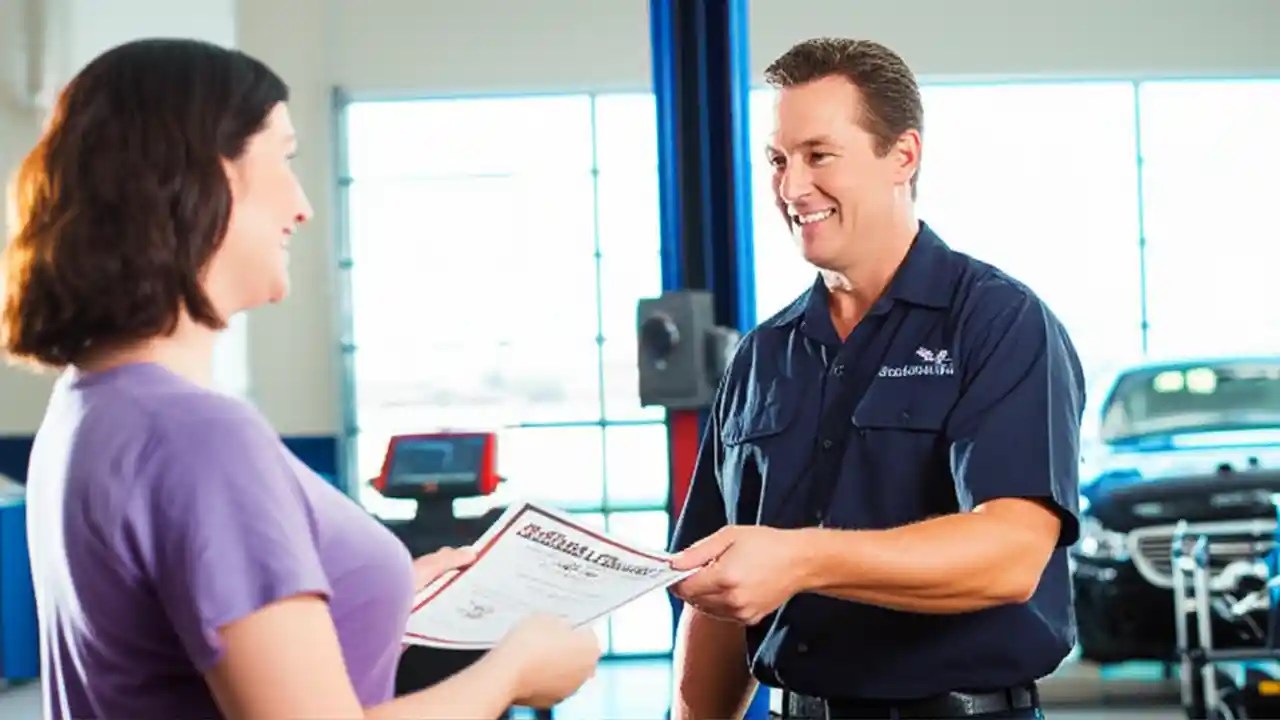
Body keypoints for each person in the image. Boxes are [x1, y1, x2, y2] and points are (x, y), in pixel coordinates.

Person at [1, 38, 600, 720]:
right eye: (284, 159)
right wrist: (513, 670)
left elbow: (180, 651)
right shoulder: (198, 436)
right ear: (204, 178)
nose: (303, 205)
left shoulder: (91, 407)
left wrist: (384, 594)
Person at [666, 37, 1084, 720]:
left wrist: (801, 560)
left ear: (903, 156)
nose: (791, 187)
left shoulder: (999, 323)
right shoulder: (761, 357)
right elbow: (715, 596)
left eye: (818, 155)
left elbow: (1010, 553)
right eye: (778, 159)